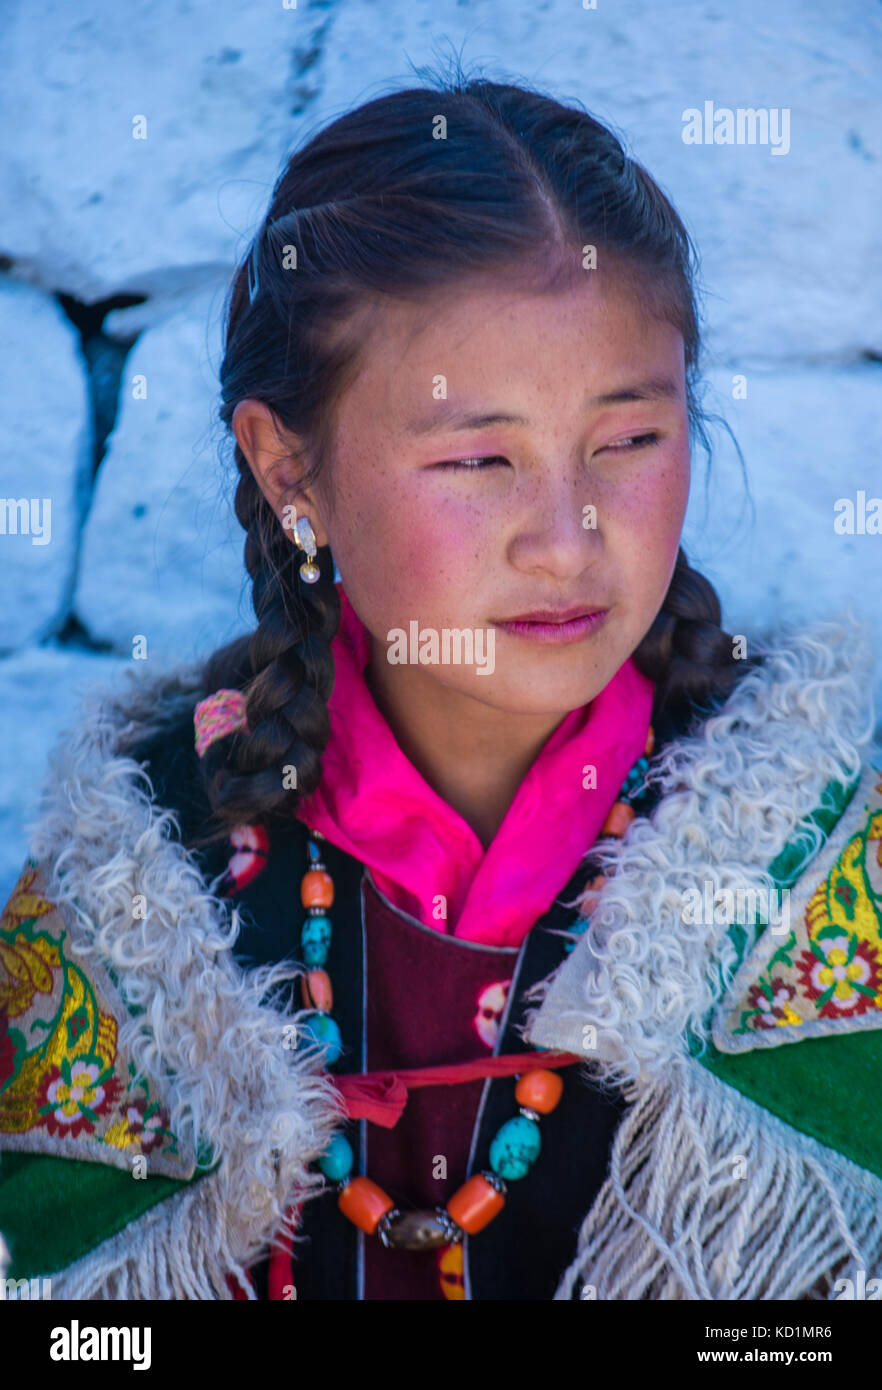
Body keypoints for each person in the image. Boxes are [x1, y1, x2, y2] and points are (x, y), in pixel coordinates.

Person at [1, 71, 880, 1302]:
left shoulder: (818, 860)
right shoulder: (146, 881)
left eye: (629, 439)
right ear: (287, 466)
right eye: (479, 457)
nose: (569, 538)